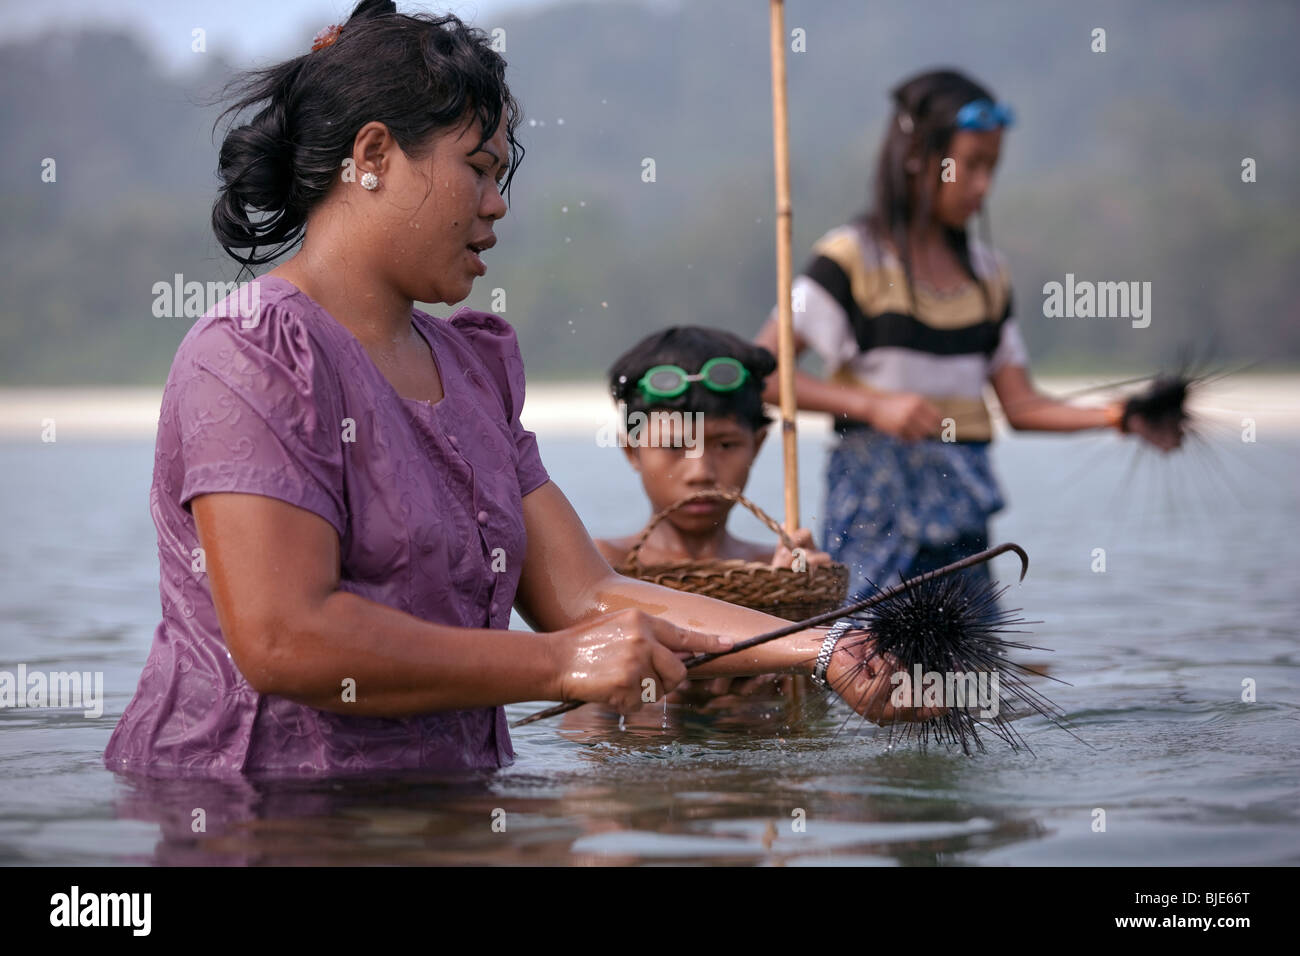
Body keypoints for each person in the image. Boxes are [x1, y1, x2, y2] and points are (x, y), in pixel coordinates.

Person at [104, 1, 933, 779]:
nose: (498, 205)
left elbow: (586, 594)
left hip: (450, 801)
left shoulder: (471, 367)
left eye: (501, 174)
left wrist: (826, 647)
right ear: (372, 158)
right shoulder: (251, 355)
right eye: (477, 168)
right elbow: (288, 637)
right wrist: (559, 664)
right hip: (266, 811)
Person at [755, 68, 1179, 603]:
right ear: (918, 158)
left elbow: (1021, 406)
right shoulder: (849, 260)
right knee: (865, 661)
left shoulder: (987, 276)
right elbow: (766, 374)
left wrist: (1121, 416)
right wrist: (872, 406)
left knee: (969, 673)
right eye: (971, 166)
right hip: (874, 511)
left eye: (992, 169)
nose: (982, 186)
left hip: (962, 517)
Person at [595, 326, 831, 710]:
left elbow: (814, 720)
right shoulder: (601, 572)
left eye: (725, 444)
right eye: (673, 445)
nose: (701, 472)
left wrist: (806, 607)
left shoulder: (777, 574)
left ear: (757, 445)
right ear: (631, 450)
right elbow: (585, 730)